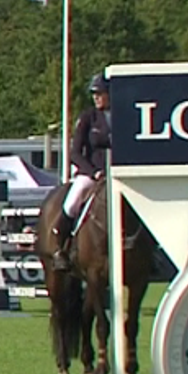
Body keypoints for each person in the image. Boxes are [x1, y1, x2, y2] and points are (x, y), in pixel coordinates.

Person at [52, 73, 111, 271]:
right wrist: (93, 172)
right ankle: (60, 247)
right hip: (91, 174)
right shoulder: (88, 117)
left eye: (100, 93)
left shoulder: (122, 117)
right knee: (73, 201)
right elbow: (75, 153)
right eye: (94, 94)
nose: (96, 97)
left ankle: (151, 252)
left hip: (117, 176)